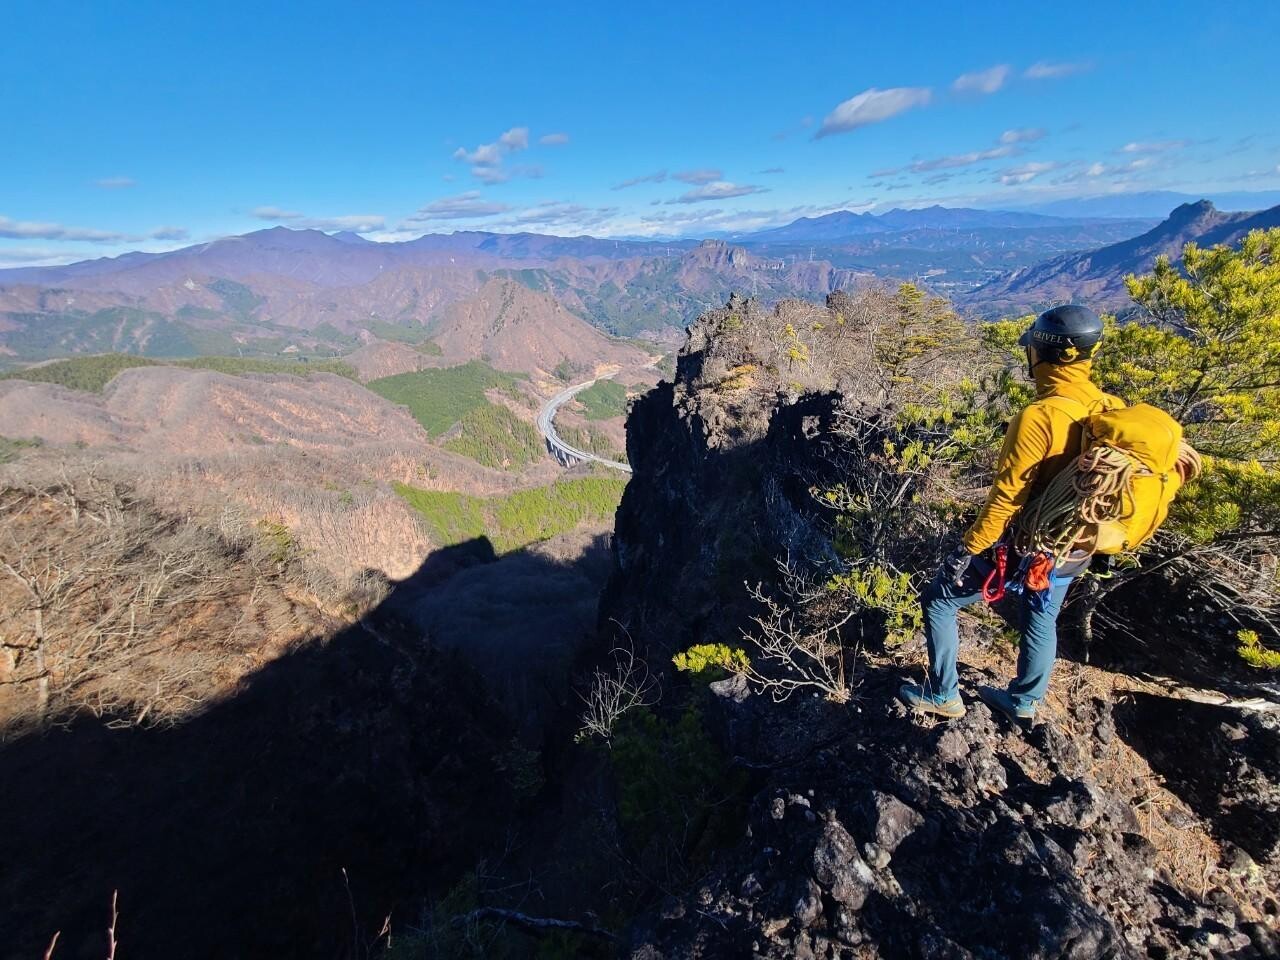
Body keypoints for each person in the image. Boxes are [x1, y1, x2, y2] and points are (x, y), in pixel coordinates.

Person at [897, 304, 1124, 724]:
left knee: (939, 600)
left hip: (1031, 544)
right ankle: (1024, 701)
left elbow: (1007, 498)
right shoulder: (1111, 409)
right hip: (1079, 545)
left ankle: (943, 693)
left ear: (1043, 354)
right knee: (1042, 615)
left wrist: (968, 549)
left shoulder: (1040, 416)